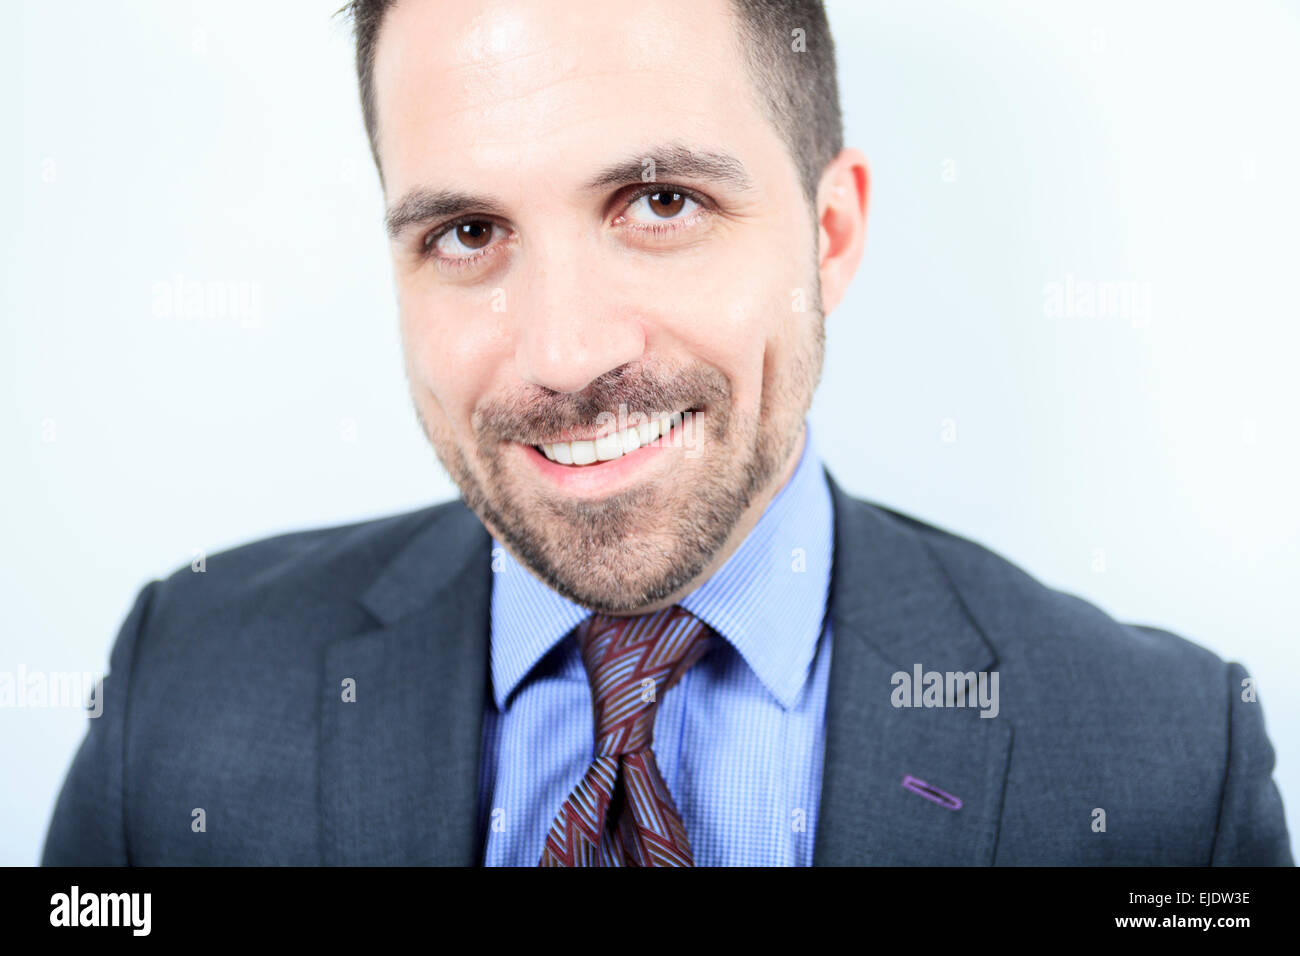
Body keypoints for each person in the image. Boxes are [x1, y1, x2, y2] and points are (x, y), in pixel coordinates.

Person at [42, 0, 1291, 866]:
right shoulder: (183, 694)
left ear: (828, 234)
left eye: (658, 201)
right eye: (467, 233)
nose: (565, 353)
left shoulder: (1166, 762)